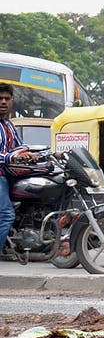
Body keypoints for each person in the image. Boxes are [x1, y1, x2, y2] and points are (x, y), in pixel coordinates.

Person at [0, 83, 38, 252]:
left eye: (7, 99)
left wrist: (48, 153)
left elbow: (20, 147)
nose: (3, 102)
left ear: (12, 101)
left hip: (8, 175)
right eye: (0, 99)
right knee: (7, 215)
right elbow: (12, 154)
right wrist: (13, 156)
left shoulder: (9, 126)